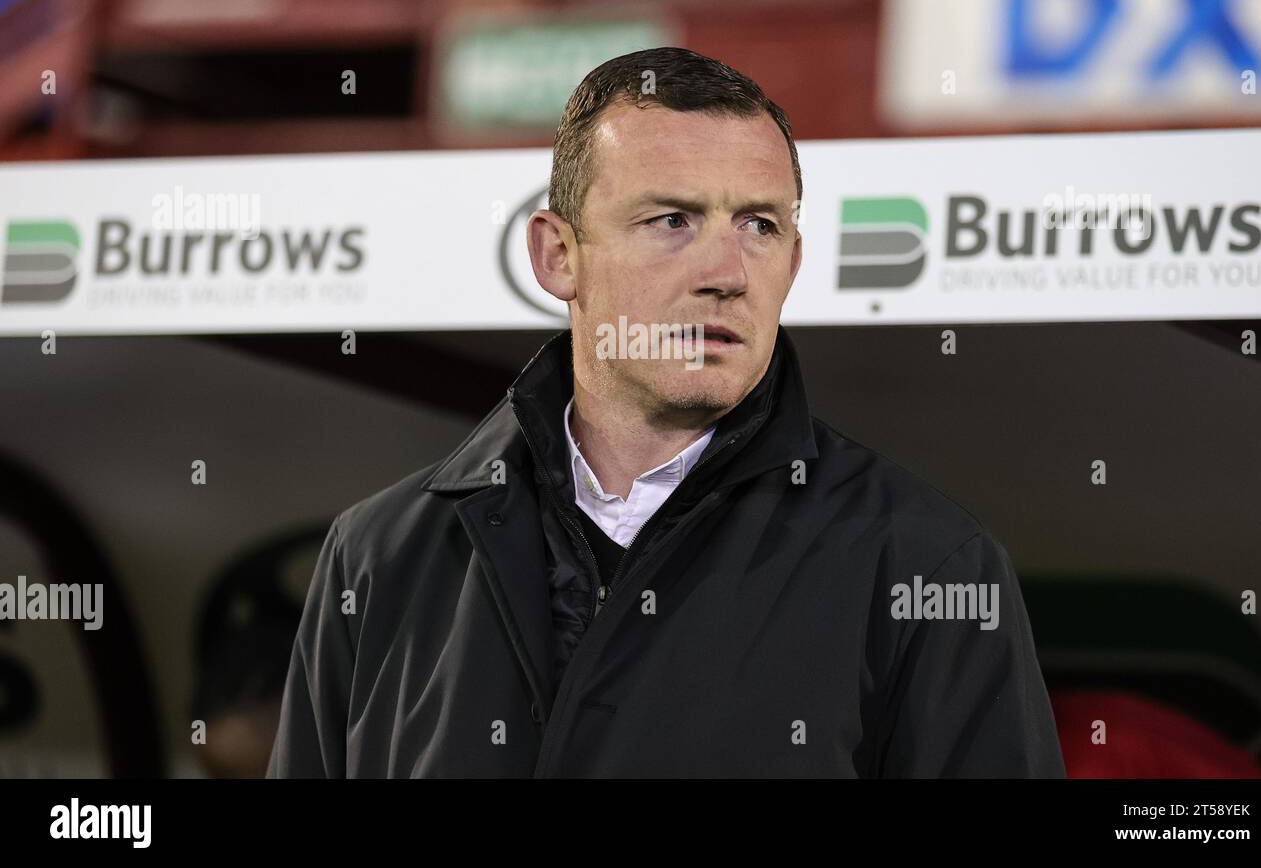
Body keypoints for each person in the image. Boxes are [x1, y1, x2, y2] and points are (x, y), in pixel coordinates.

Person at [266, 47, 1065, 777]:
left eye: (759, 225)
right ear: (557, 255)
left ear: (794, 259)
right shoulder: (377, 558)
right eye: (672, 221)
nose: (727, 271)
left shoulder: (929, 565)